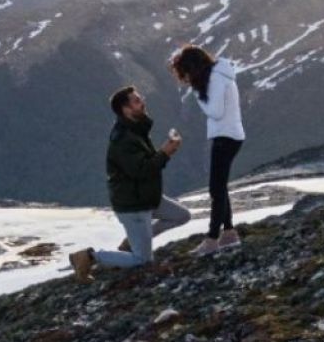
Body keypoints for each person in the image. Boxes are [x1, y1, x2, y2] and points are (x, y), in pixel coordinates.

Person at [68, 86, 191, 282]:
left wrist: (165, 152)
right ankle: (89, 256)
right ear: (126, 109)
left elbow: (144, 163)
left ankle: (133, 241)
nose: (142, 101)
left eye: (140, 98)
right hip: (133, 204)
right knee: (141, 260)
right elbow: (140, 171)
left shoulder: (136, 129)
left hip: (145, 197)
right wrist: (166, 152)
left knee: (182, 215)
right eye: (136, 100)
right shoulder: (124, 139)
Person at [170, 45, 245, 256]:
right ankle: (229, 233)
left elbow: (216, 111)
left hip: (226, 136)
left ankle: (212, 239)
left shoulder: (217, 79)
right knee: (220, 187)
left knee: (216, 189)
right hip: (229, 135)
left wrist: (198, 95)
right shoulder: (220, 75)